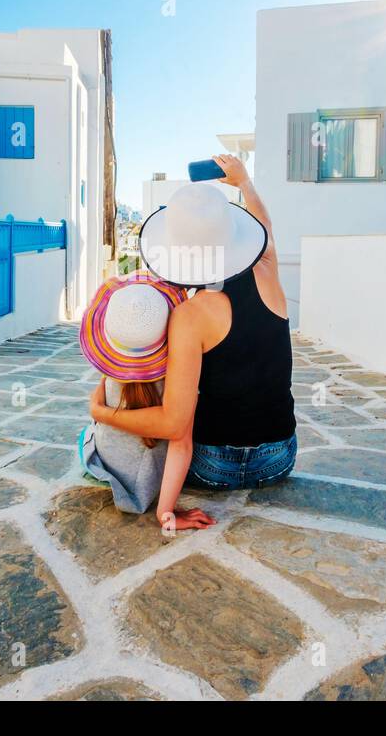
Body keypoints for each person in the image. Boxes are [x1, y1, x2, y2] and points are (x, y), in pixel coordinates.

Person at [89, 154, 295, 523]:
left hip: (214, 466)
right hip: (279, 458)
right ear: (232, 234)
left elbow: (174, 425)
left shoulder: (190, 317)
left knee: (150, 411)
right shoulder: (268, 274)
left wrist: (105, 414)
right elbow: (267, 231)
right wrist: (245, 183)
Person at [77, 273, 217, 532]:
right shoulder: (177, 379)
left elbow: (99, 403)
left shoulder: (113, 375)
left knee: (85, 437)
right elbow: (181, 443)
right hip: (149, 475)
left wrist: (98, 410)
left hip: (108, 463)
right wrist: (166, 512)